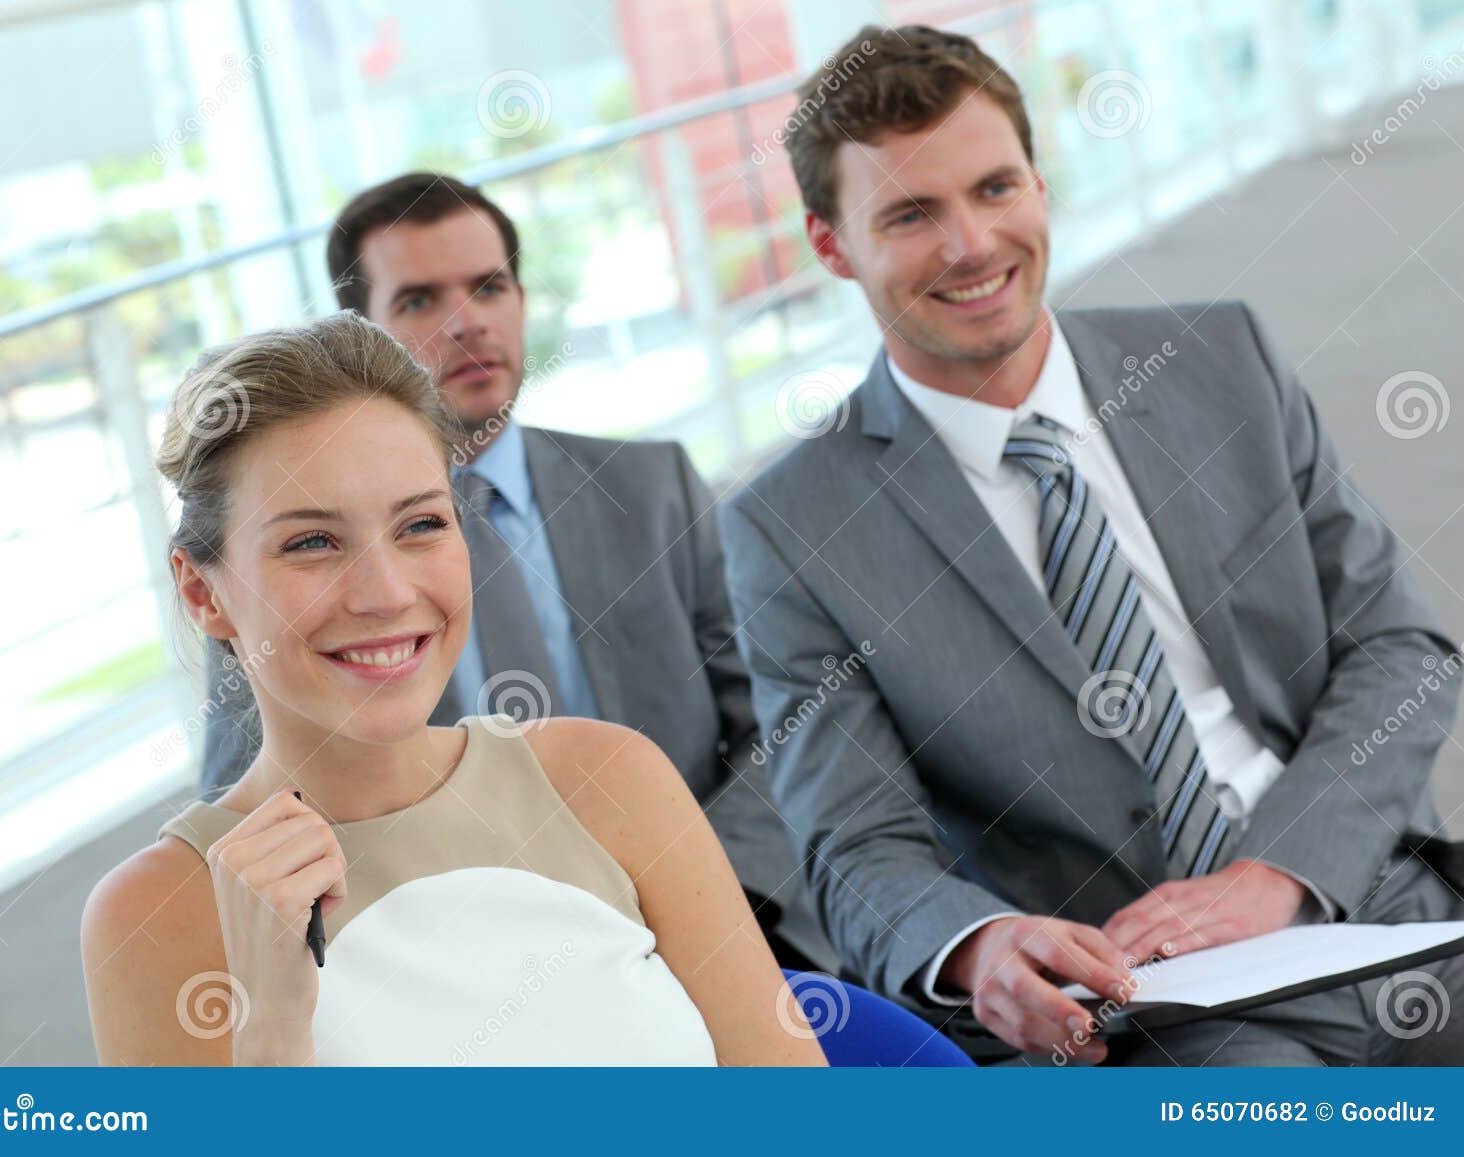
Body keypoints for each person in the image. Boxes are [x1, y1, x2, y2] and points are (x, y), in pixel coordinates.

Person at [718, 23, 1464, 1066]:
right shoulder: (791, 525)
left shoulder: (1218, 358)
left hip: (1366, 889)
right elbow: (855, 848)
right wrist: (981, 948)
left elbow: (1400, 649)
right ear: (832, 245)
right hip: (1138, 991)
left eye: (993, 189)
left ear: (1037, 184)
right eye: (910, 214)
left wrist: (1279, 871)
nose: (971, 244)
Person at [80, 312, 826, 1067]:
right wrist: (271, 1026)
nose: (385, 592)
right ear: (203, 591)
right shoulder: (155, 914)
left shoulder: (608, 777)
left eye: (420, 525)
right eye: (312, 541)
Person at [195, 172, 830, 973]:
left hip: (713, 927)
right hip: (453, 985)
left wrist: (698, 896)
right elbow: (244, 812)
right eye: (421, 300)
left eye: (489, 286)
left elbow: (780, 720)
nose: (468, 324)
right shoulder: (292, 575)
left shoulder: (653, 487)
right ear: (360, 337)